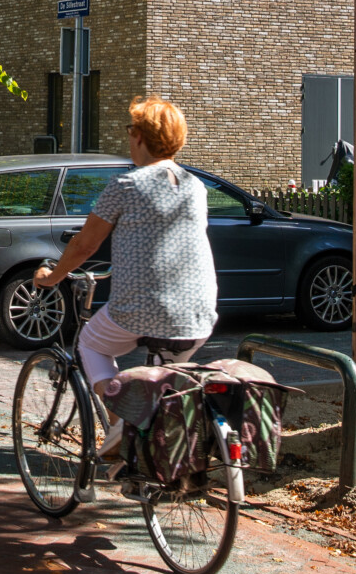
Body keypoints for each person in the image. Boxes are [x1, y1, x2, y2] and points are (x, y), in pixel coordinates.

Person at [32, 95, 217, 455]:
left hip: (141, 309)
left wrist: (52, 277)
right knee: (165, 387)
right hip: (199, 313)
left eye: (131, 130)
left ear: (140, 137)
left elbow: (85, 245)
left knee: (90, 344)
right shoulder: (195, 186)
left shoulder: (125, 186)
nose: (129, 137)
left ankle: (120, 426)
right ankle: (154, 455)